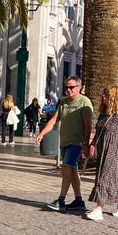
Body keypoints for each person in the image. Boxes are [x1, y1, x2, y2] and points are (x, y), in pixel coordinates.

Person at [37, 75, 92, 212]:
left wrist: (86, 144)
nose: (68, 90)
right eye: (66, 87)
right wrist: (42, 133)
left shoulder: (84, 102)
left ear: (79, 87)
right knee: (73, 171)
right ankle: (79, 201)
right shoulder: (64, 103)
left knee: (66, 168)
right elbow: (54, 120)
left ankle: (61, 200)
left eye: (71, 87)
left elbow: (88, 126)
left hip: (76, 143)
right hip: (65, 142)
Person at [86, 86, 118, 221]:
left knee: (104, 178)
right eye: (103, 93)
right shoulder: (103, 114)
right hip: (102, 150)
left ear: (115, 97)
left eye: (106, 94)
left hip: (113, 152)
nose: (103, 96)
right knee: (111, 179)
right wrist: (92, 145)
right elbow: (98, 133)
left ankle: (98, 209)